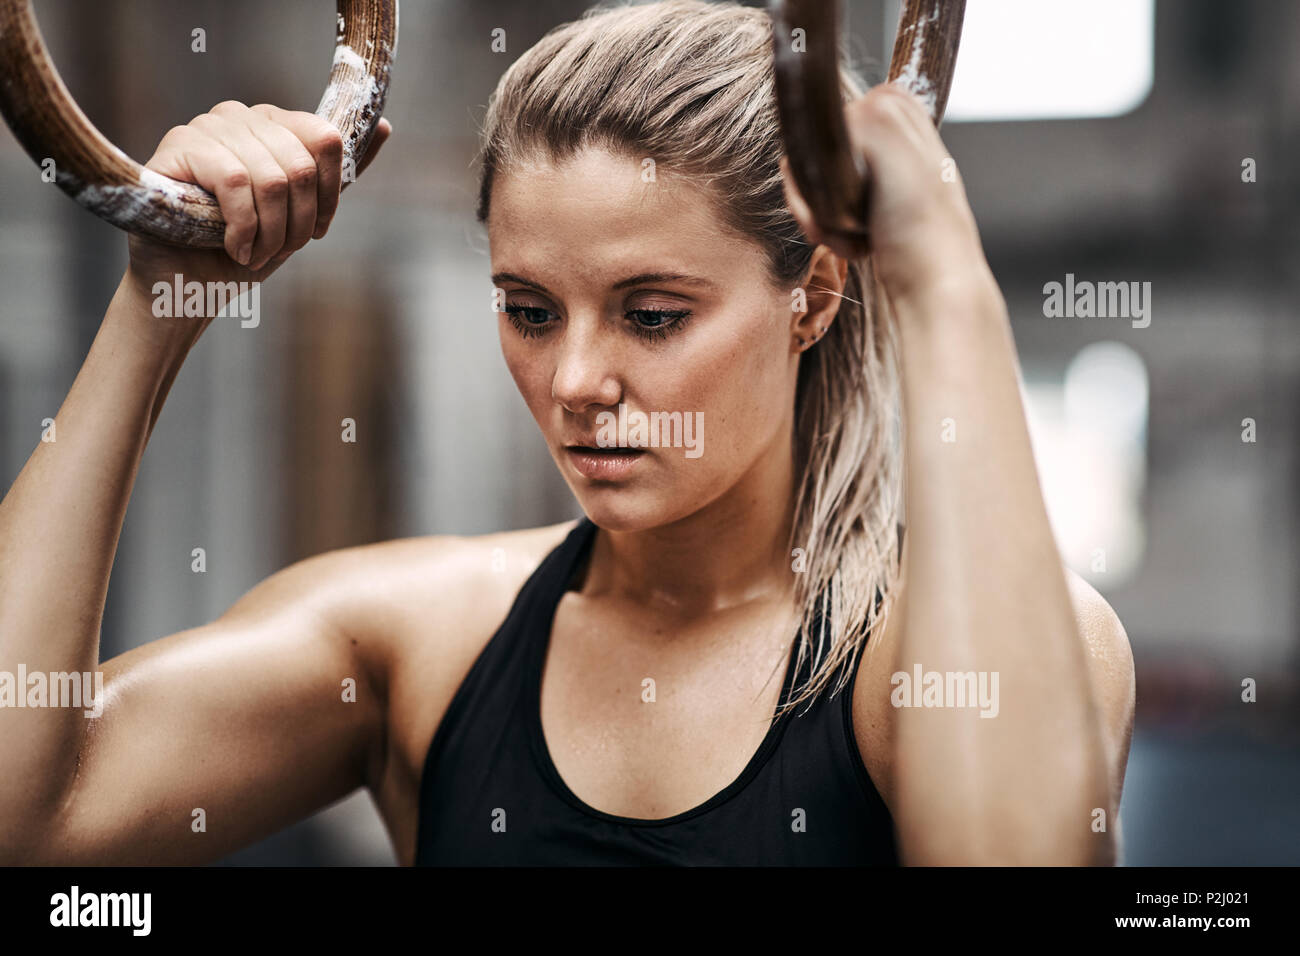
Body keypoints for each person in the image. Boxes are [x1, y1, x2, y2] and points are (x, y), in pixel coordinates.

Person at [0, 0, 1135, 866]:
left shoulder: (939, 657)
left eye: (652, 315)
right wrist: (162, 294)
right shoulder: (421, 641)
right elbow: (29, 812)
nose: (578, 380)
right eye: (529, 311)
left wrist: (942, 280)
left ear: (816, 294)